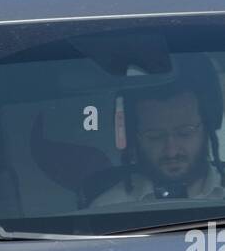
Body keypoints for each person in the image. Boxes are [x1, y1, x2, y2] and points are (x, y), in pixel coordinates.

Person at [88, 76, 225, 207]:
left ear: (207, 129)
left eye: (185, 133)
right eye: (155, 137)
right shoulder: (108, 208)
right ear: (135, 138)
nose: (171, 151)